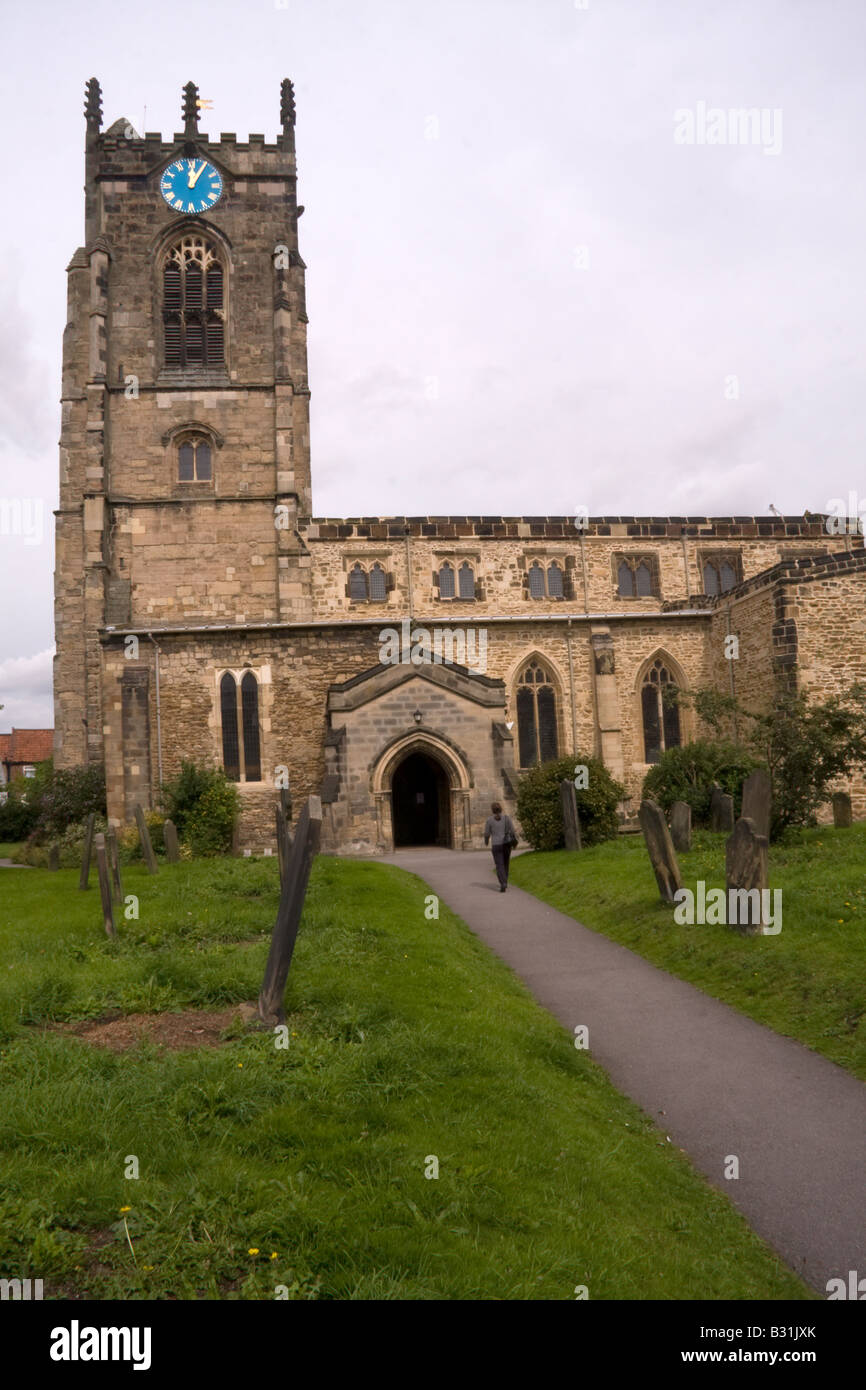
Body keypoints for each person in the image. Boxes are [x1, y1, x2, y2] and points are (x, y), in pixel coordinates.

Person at [483, 802, 518, 891]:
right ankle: (505, 881)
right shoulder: (506, 818)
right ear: (501, 809)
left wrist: (486, 842)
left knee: (499, 864)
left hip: (496, 845)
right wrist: (514, 843)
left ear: (492, 810)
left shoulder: (489, 820)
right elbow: (513, 831)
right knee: (506, 863)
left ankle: (503, 882)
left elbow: (487, 833)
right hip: (506, 844)